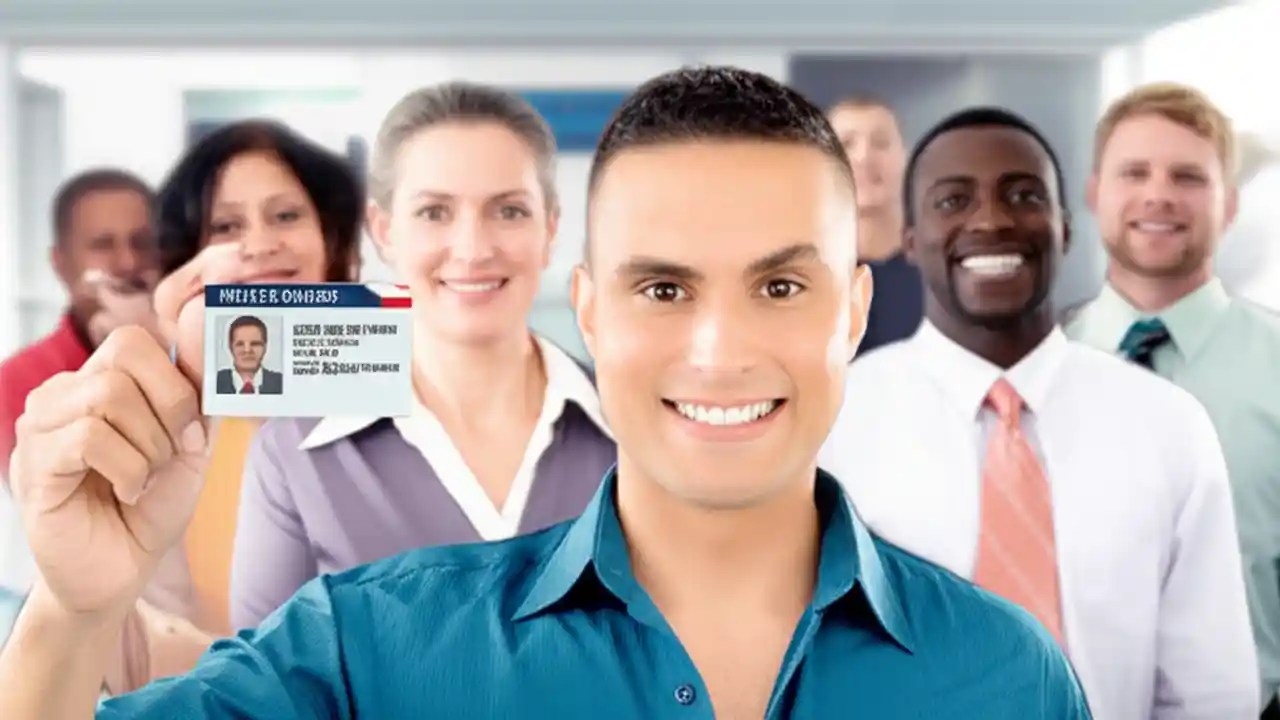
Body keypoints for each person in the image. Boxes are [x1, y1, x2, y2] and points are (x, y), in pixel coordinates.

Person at [0, 66, 1091, 720]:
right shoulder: (364, 644)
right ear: (592, 306)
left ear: (852, 311)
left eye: (779, 284)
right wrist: (76, 608)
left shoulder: (1004, 673)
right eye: (662, 287)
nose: (717, 349)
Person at [819, 106, 1259, 718]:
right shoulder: (833, 423)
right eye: (953, 201)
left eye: (1023, 195)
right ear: (911, 240)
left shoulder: (1169, 425)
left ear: (1064, 226)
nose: (992, 220)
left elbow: (1210, 694)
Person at [228, 82, 616, 629]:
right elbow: (263, 693)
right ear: (384, 231)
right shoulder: (294, 451)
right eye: (434, 212)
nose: (474, 248)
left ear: (550, 229)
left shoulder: (633, 426)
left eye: (508, 210)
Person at [103, 118, 366, 692]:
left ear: (332, 236)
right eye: (226, 225)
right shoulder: (171, 425)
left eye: (286, 215)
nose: (259, 243)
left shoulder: (398, 369)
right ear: (191, 258)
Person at [1064, 82, 1280, 719]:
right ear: (1095, 192)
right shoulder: (1028, 373)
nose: (1159, 193)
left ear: (1230, 204)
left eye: (1188, 176)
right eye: (1135, 172)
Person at [0, 169, 158, 475]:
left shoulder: (199, 355)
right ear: (60, 263)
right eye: (103, 245)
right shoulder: (15, 384)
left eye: (143, 242)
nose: (128, 262)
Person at [827, 95, 922, 356]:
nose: (864, 157)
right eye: (847, 144)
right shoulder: (801, 278)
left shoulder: (941, 276)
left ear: (907, 157)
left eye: (881, 143)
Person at [215, 315, 282, 395]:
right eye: (240, 344)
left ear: (265, 347)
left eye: (255, 344)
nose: (247, 350)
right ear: (230, 347)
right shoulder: (214, 381)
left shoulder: (282, 383)